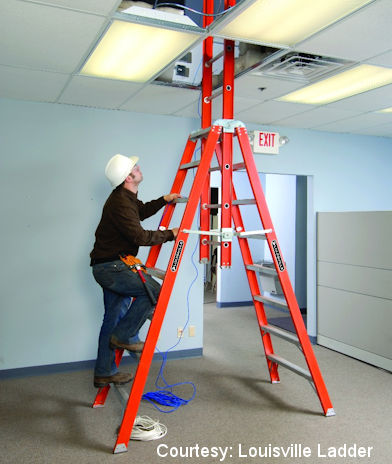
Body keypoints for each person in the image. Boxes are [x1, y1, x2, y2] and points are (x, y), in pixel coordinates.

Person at [90, 154, 179, 388]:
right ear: (128, 177)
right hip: (113, 267)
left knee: (112, 319)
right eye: (134, 167)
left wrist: (164, 200)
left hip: (109, 265)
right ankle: (125, 336)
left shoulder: (126, 197)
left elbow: (141, 211)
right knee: (154, 291)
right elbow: (139, 236)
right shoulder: (120, 202)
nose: (138, 168)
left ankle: (104, 372)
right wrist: (171, 234)